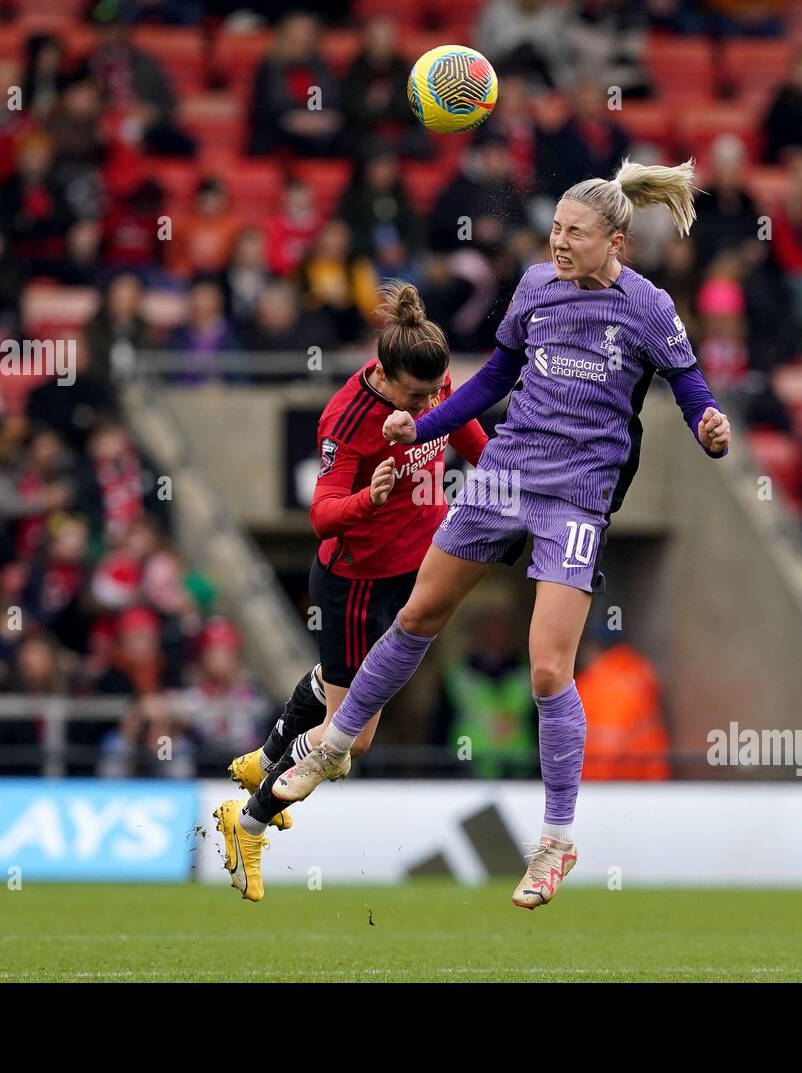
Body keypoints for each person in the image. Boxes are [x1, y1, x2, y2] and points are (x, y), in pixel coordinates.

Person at [266, 159, 730, 910]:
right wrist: (426, 425)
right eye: (554, 229)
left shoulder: (647, 306)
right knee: (417, 614)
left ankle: (555, 840)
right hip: (504, 474)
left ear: (617, 241)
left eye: (575, 234)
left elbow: (690, 384)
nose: (559, 243)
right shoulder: (536, 287)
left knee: (548, 669)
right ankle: (331, 745)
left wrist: (709, 424)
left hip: (577, 496)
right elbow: (490, 383)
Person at [213, 281, 487, 902]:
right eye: (415, 397)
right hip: (356, 582)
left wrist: (505, 482)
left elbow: (464, 429)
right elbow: (321, 515)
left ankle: (272, 751)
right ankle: (248, 821)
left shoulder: (431, 382)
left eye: (433, 393)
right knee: (353, 737)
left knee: (337, 682)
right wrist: (374, 497)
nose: (425, 406)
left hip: (411, 570)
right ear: (386, 378)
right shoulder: (348, 416)